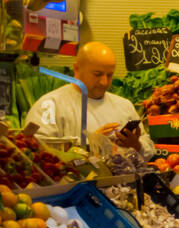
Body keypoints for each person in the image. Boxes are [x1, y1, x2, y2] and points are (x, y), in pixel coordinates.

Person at [26, 41, 155, 156]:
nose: (104, 82)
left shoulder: (124, 105)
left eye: (109, 75)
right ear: (77, 68)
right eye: (97, 74)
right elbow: (36, 150)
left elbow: (148, 148)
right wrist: (91, 144)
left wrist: (136, 145)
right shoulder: (50, 105)